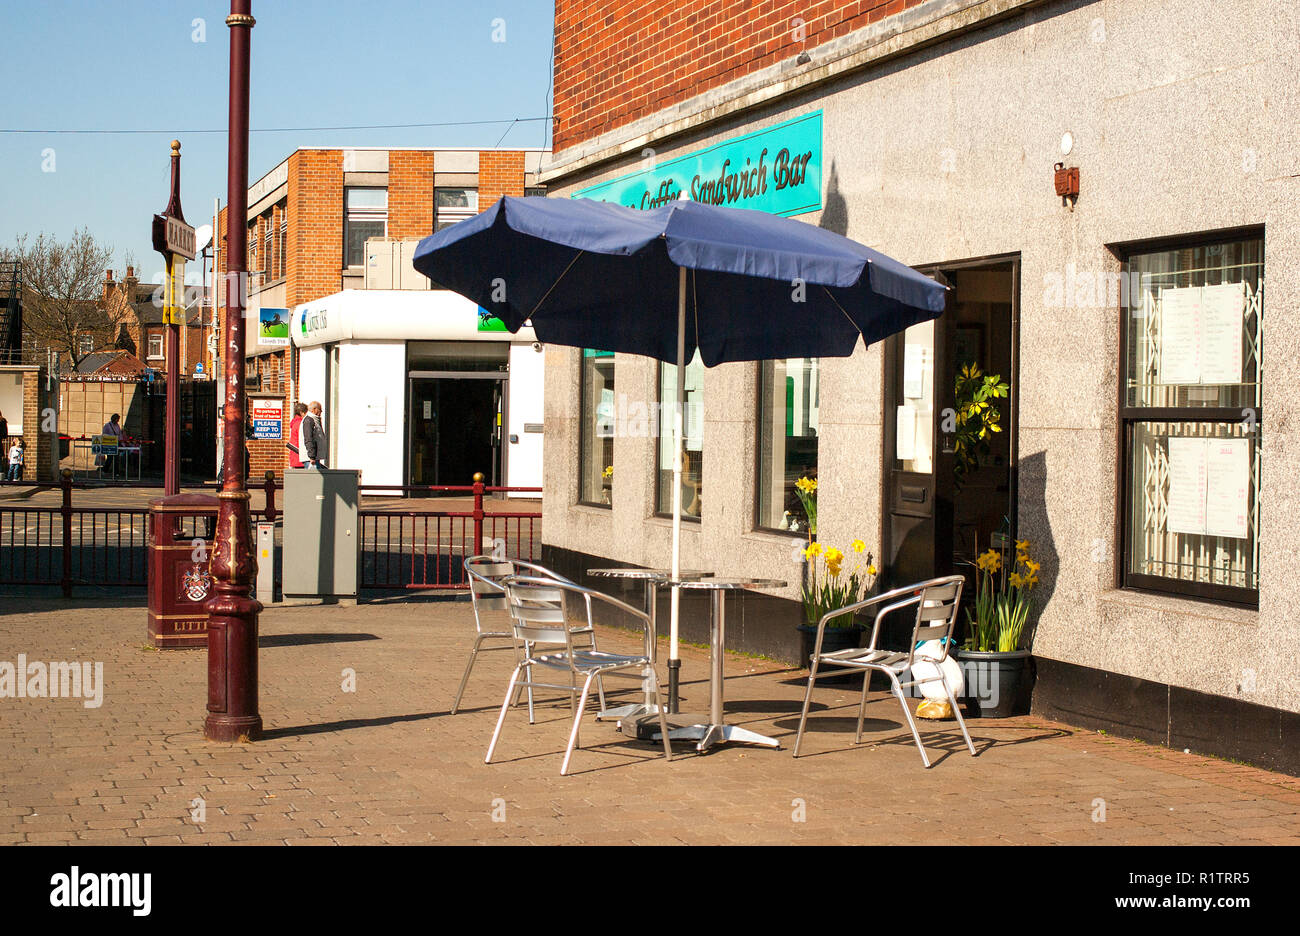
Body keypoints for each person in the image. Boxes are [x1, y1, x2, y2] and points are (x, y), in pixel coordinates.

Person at [302, 401, 327, 469]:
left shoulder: (313, 419)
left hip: (313, 457)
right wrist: (312, 456)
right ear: (314, 409)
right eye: (320, 410)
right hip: (311, 459)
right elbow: (308, 438)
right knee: (313, 479)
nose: (321, 412)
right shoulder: (309, 420)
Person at [98, 413, 123, 478]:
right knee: (110, 458)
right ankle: (104, 470)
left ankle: (116, 473)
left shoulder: (117, 426)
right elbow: (104, 434)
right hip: (109, 444)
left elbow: (119, 435)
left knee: (116, 459)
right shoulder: (107, 425)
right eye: (117, 419)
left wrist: (122, 443)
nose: (117, 421)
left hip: (116, 443)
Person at [286, 402, 307, 469]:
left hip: (296, 457)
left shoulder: (295, 422)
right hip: (301, 457)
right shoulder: (300, 424)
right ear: (302, 413)